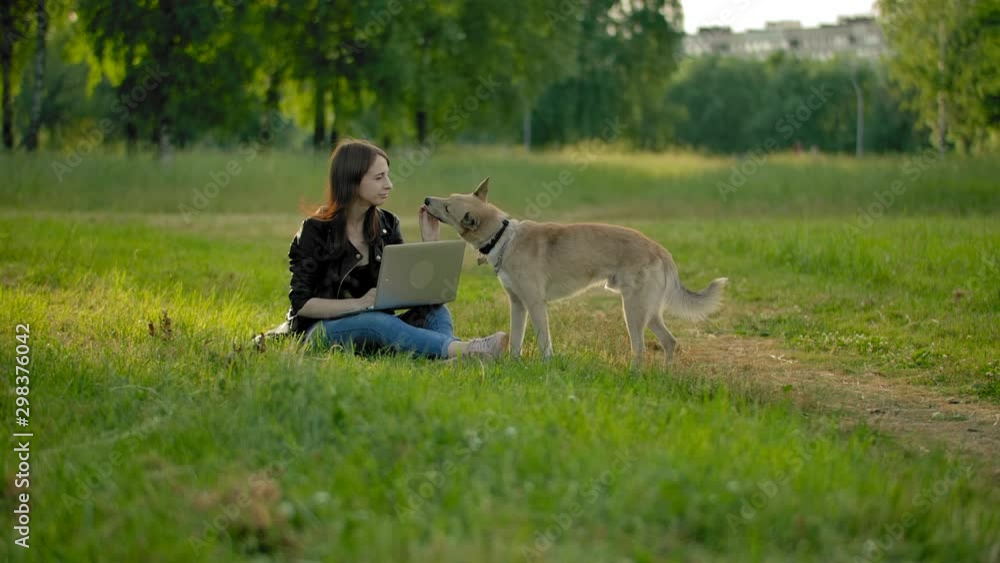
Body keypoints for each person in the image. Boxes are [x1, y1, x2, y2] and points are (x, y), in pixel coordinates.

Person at [284, 138, 508, 360]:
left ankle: (448, 360)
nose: (389, 184)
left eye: (387, 176)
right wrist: (360, 304)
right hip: (319, 332)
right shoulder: (315, 230)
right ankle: (466, 350)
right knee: (375, 321)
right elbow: (301, 304)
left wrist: (430, 244)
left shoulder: (387, 224)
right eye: (379, 177)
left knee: (437, 312)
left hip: (379, 327)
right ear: (352, 181)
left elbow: (415, 295)